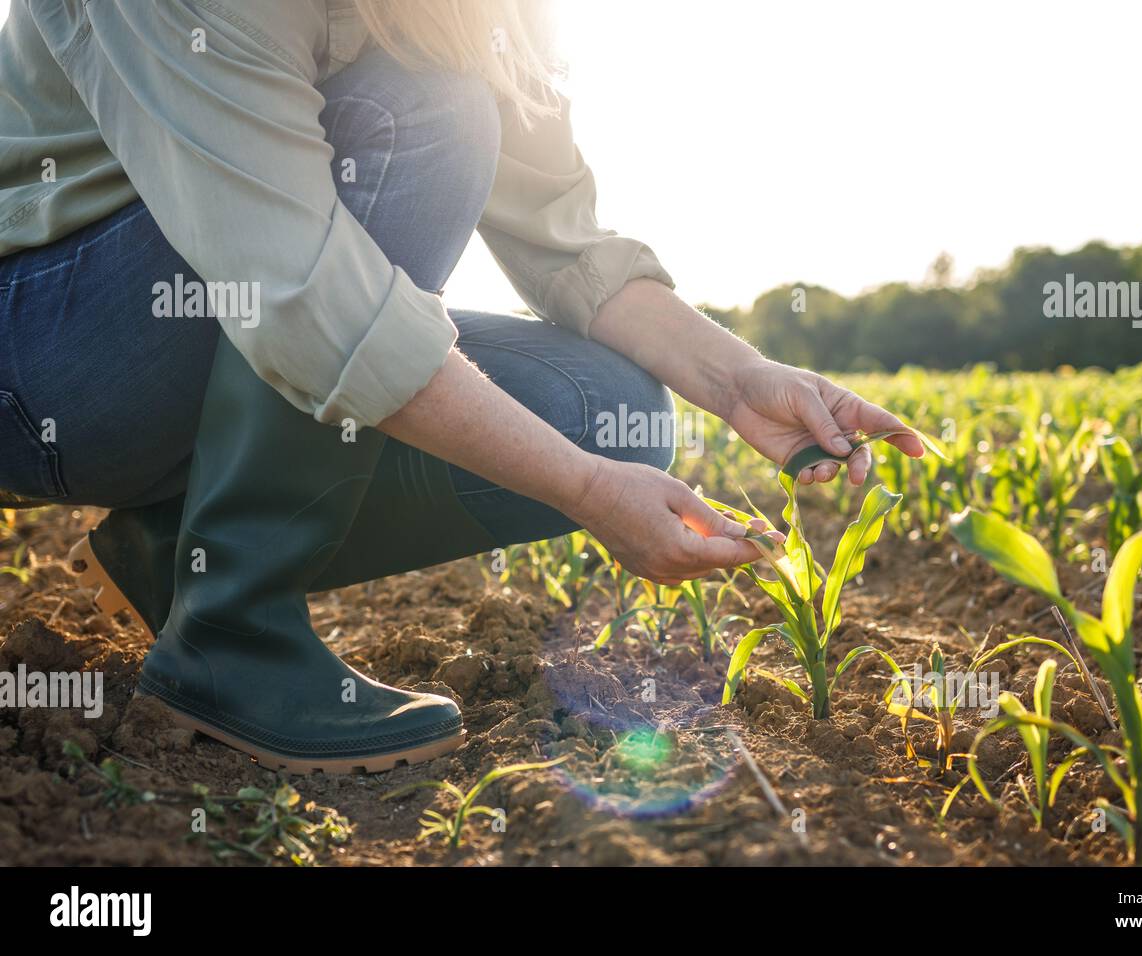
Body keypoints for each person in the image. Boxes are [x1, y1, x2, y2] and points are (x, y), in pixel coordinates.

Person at [0, 0, 924, 773]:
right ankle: (231, 639)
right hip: (47, 353)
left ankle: (177, 558)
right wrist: (586, 493)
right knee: (426, 115)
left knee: (612, 418)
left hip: (230, 303)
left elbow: (565, 241)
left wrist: (741, 379)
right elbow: (305, 300)